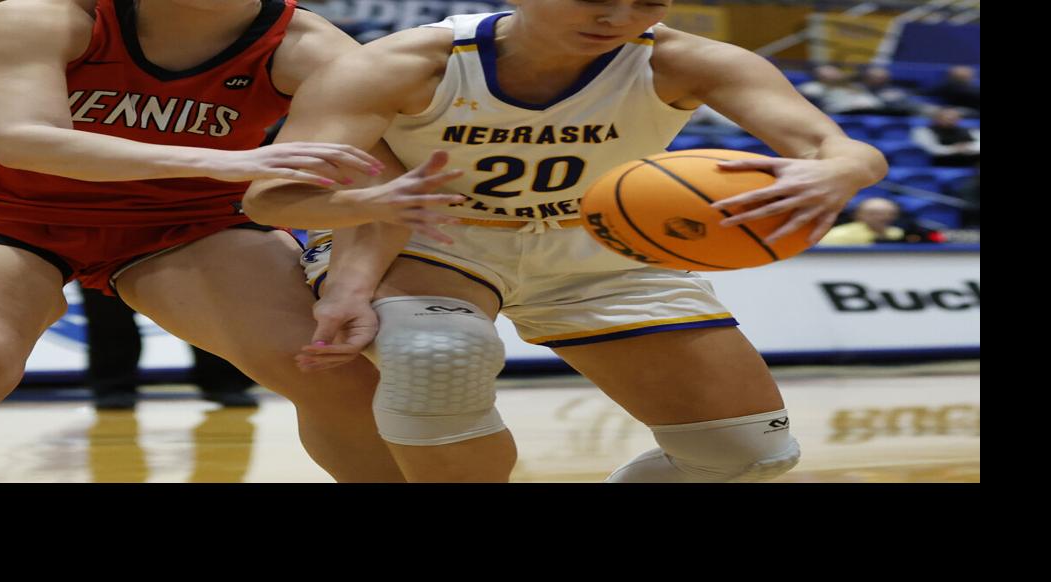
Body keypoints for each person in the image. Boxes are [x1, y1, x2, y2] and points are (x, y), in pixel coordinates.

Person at [244, 0, 887, 482]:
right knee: (436, 355)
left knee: (747, 455)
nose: (618, 15)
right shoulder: (403, 63)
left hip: (600, 238)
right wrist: (369, 203)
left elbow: (842, 149)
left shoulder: (688, 59)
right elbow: (269, 197)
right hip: (432, 237)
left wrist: (841, 171)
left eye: (647, 2)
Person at [0, 0, 406, 483]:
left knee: (337, 372)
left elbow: (377, 183)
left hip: (187, 218)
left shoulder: (317, 50)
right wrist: (223, 160)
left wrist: (350, 287)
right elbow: (22, 140)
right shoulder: (41, 16)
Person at [81, 287, 260, 409]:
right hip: (109, 236)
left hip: (180, 234)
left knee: (202, 301)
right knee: (107, 309)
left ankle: (225, 382)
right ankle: (113, 385)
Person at [818, 198, 904, 246]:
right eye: (874, 214)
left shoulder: (897, 233)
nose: (883, 217)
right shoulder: (838, 234)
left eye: (890, 214)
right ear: (858, 215)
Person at [911, 107, 979, 167]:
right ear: (936, 118)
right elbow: (931, 150)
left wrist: (967, 147)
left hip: (969, 161)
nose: (950, 121)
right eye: (947, 118)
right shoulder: (922, 131)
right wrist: (955, 149)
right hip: (939, 162)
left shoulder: (968, 130)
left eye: (954, 118)